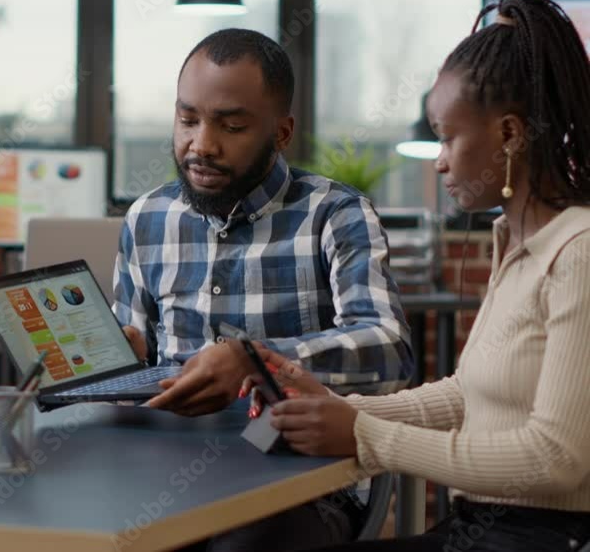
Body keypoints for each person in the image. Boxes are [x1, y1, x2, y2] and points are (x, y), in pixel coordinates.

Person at [254, 0, 590, 551]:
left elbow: (555, 458)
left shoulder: (577, 253)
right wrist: (336, 411)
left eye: (447, 137)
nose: (437, 161)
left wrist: (365, 435)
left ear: (509, 135)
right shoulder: (518, 241)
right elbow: (469, 396)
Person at [113, 28, 414, 550]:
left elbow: (390, 348)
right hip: (165, 474)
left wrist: (257, 360)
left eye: (231, 126)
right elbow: (135, 365)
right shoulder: (147, 219)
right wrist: (121, 362)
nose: (201, 145)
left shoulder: (334, 215)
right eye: (187, 120)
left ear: (281, 133)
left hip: (302, 479)